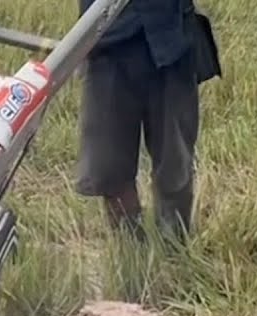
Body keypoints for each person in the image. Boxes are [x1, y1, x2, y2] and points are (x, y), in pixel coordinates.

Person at [75, 0, 222, 244]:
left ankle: (174, 254)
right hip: (107, 42)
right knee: (109, 170)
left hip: (170, 38)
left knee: (174, 166)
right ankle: (132, 256)